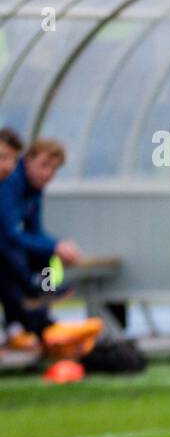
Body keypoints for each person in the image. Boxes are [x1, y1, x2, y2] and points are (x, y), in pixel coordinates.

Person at [0, 136, 101, 355]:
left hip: (10, 251)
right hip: (6, 254)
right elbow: (9, 233)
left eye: (53, 169)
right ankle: (35, 322)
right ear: (26, 160)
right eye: (44, 165)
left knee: (43, 255)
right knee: (12, 260)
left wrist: (57, 246)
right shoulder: (9, 183)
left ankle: (42, 303)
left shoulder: (34, 189)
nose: (48, 174)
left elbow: (34, 231)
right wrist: (54, 245)